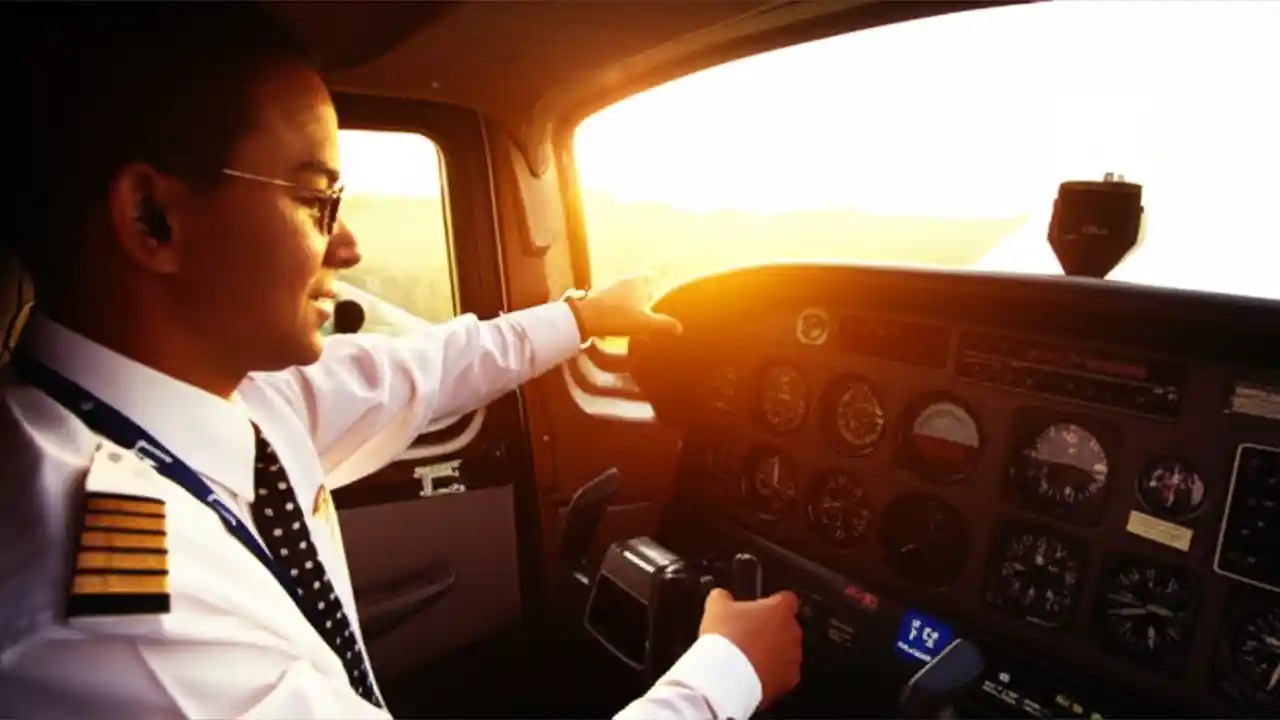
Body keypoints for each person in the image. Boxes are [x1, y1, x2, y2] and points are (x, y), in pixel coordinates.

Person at [0, 6, 802, 719]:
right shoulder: (122, 626)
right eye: (316, 200)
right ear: (151, 218)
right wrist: (725, 675)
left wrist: (583, 316)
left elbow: (423, 370)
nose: (347, 244)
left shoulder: (218, 399)